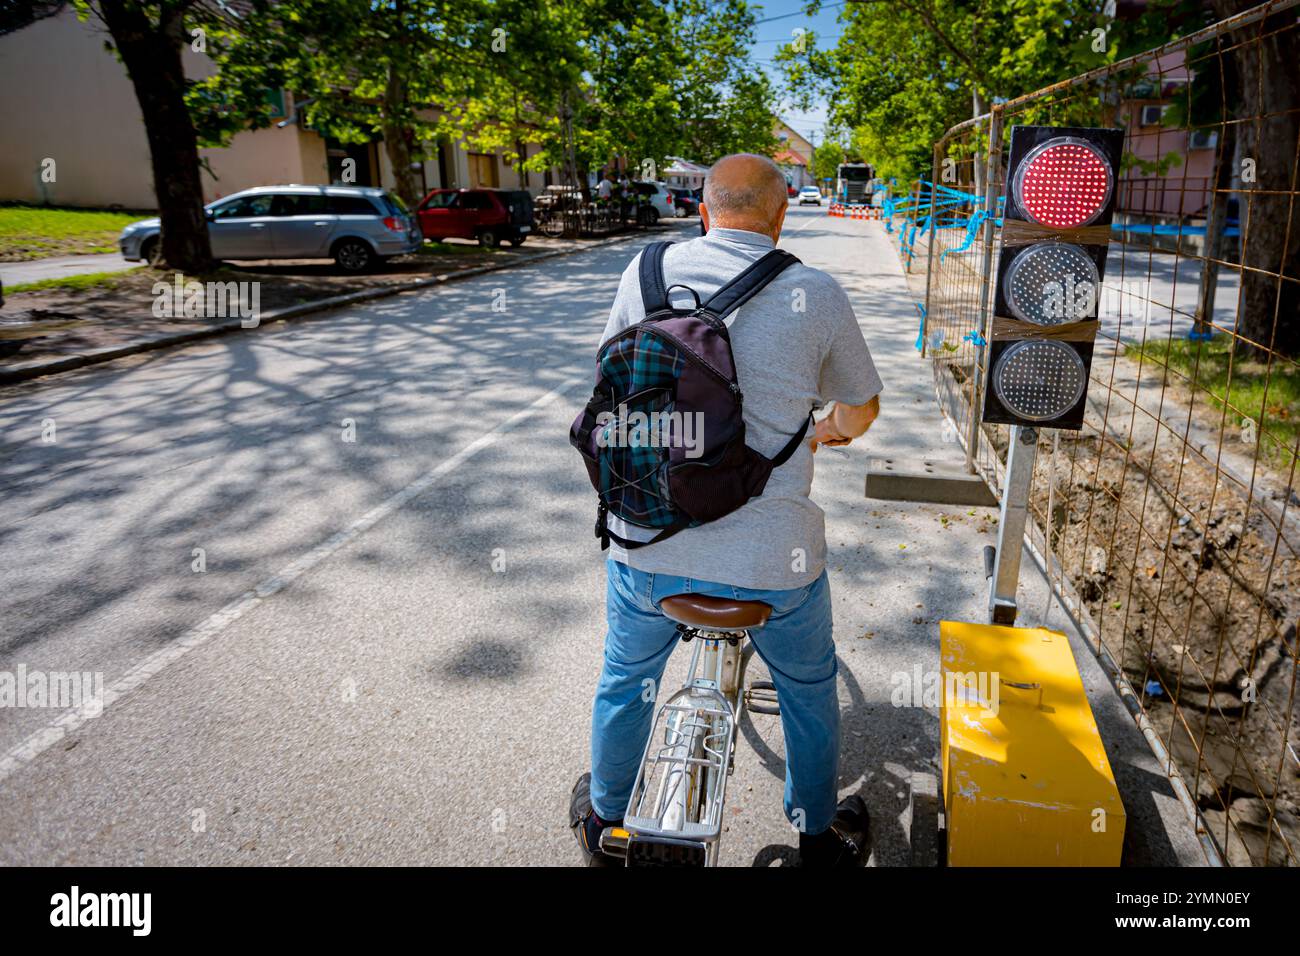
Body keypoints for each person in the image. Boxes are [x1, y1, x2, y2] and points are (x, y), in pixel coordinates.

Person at [570, 153, 883, 867]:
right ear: (781, 216)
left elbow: (609, 383)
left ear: (703, 212)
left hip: (647, 544)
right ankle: (815, 834)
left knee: (626, 678)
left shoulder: (643, 274)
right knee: (808, 687)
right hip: (777, 564)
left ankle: (603, 819)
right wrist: (830, 427)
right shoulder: (815, 290)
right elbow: (862, 406)